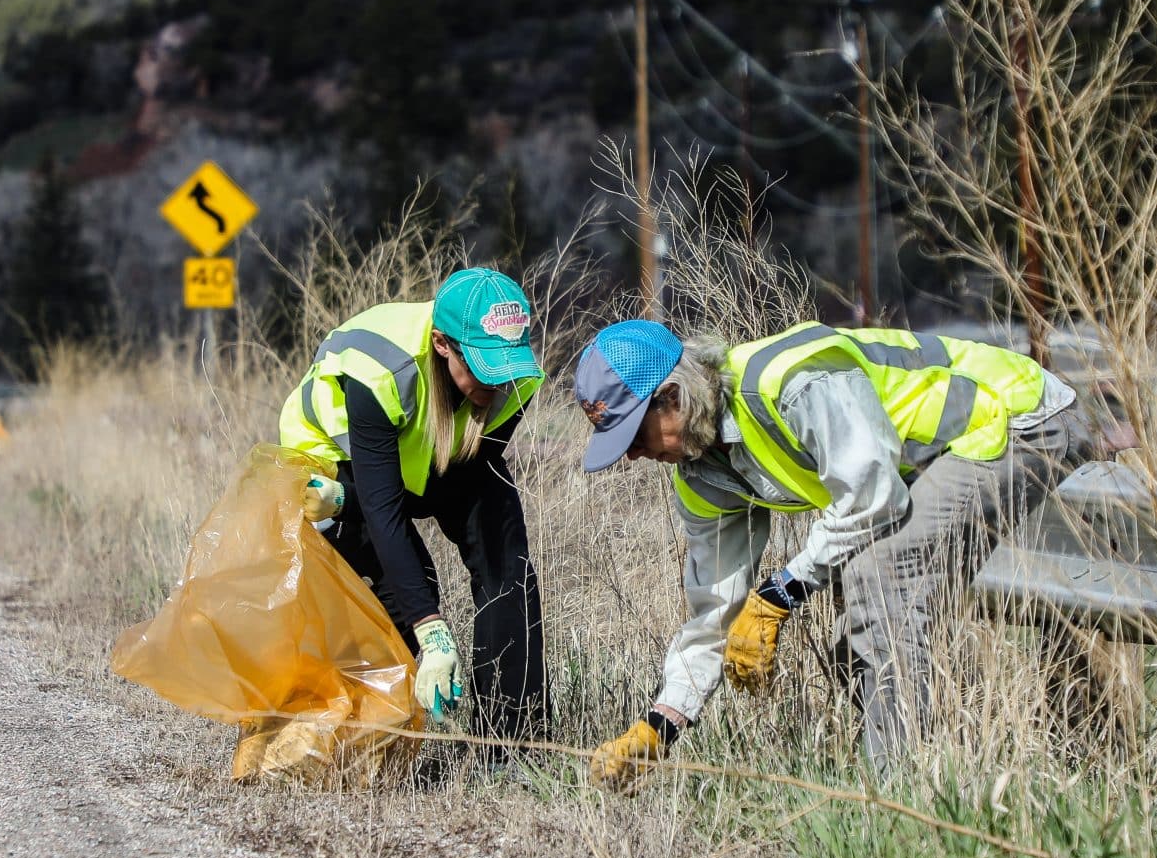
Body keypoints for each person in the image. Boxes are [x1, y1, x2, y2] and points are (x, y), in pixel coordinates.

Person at [572, 318, 1100, 789]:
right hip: (933, 463)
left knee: (881, 577)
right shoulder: (699, 473)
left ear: (674, 396)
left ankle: (903, 800)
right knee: (855, 646)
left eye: (633, 436)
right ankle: (952, 774)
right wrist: (661, 724)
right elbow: (717, 611)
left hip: (1020, 417)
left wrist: (780, 594)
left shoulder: (791, 383)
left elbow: (872, 497)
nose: (634, 456)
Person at [277, 268, 548, 742]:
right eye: (486, 365)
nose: (500, 382)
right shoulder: (380, 368)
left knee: (504, 543)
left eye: (508, 364)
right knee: (407, 594)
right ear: (443, 345)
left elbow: (461, 477)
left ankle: (509, 740)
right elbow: (385, 510)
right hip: (335, 471)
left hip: (421, 462)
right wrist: (432, 629)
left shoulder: (514, 380)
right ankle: (325, 737)